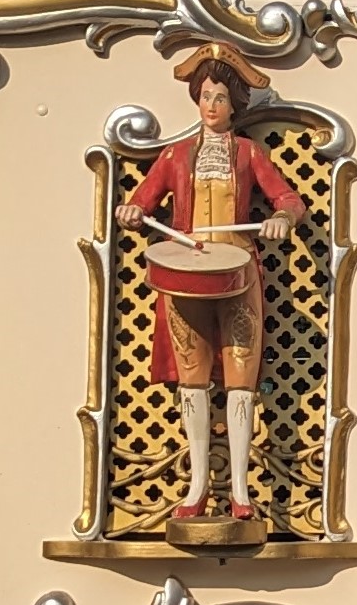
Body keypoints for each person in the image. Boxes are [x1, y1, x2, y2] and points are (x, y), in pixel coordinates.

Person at [119, 42, 301, 533]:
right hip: (187, 276)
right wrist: (134, 211)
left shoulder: (247, 153)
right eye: (205, 95)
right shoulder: (176, 154)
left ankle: (240, 488)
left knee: (242, 381)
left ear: (234, 104)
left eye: (221, 96)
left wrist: (281, 217)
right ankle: (198, 483)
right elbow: (143, 199)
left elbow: (288, 196)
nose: (213, 104)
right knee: (194, 379)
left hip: (237, 274)